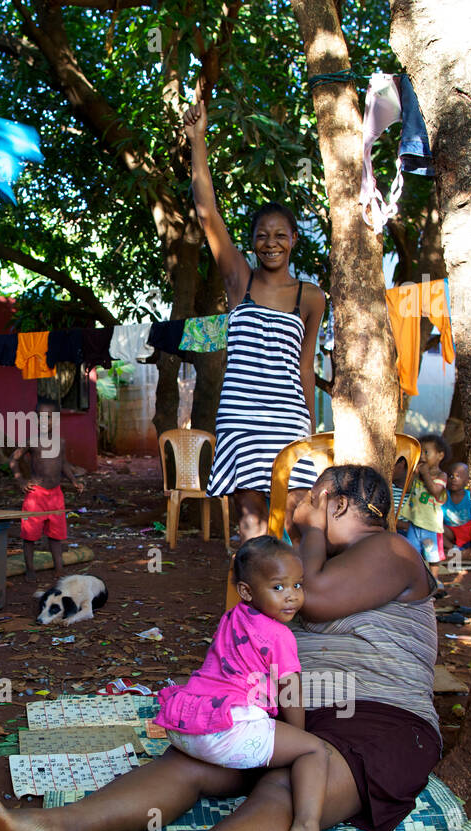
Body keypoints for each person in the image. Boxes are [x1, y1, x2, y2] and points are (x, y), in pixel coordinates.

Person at [0, 465, 441, 831]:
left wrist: (313, 525)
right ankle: (56, 827)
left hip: (377, 720)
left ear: (336, 506)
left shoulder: (392, 549)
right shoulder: (309, 566)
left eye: (314, 500)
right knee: (194, 759)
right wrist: (308, 528)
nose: (301, 511)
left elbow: (313, 598)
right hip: (301, 715)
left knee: (286, 782)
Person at [185, 102, 327, 544]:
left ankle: (301, 606)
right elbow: (207, 213)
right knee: (250, 524)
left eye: (280, 235)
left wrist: (309, 424)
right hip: (241, 421)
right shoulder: (239, 281)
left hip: (288, 419)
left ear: (294, 240)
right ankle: (253, 610)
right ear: (252, 243)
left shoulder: (311, 297)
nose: (271, 243)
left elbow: (305, 366)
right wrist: (197, 142)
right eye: (262, 236)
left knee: (298, 520)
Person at [155, 535, 332, 831]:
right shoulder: (280, 635)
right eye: (278, 587)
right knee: (313, 750)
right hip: (228, 730)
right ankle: (307, 828)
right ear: (248, 591)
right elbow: (289, 690)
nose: (292, 595)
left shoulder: (233, 616)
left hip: (184, 728)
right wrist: (299, 737)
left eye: (297, 584)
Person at [10, 397, 84, 582]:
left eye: (49, 417)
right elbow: (13, 460)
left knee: (56, 535)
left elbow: (63, 464)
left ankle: (59, 569)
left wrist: (74, 481)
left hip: (56, 495)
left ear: (57, 419)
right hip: (36, 494)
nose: (45, 421)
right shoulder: (32, 441)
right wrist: (20, 481)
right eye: (41, 417)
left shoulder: (60, 442)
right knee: (30, 536)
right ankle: (30, 569)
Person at [397, 433, 449, 567]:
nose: (423, 457)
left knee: (433, 555)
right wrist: (413, 475)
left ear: (440, 456)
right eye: (421, 453)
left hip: (430, 524)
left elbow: (436, 491)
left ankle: (435, 581)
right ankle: (416, 577)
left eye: (426, 452)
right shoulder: (419, 475)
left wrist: (425, 474)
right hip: (414, 521)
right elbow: (407, 489)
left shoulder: (441, 475)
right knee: (412, 552)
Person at [442, 462, 471, 554]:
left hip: (468, 533)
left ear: (467, 481)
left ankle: (463, 550)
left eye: (458, 476)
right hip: (450, 533)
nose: (454, 479)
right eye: (451, 476)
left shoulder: (470, 497)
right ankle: (455, 549)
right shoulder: (443, 496)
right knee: (436, 528)